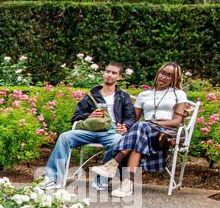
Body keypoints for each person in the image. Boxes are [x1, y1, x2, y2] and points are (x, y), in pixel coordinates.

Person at [90, 62, 192, 199]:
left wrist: (155, 123)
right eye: (162, 73)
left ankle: (113, 164)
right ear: (158, 73)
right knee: (140, 129)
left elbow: (176, 122)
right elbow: (133, 120)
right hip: (145, 132)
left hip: (166, 133)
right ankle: (128, 184)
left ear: (175, 78)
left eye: (169, 75)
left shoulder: (179, 94)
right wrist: (124, 126)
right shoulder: (145, 95)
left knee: (141, 127)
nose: (164, 77)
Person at [38, 60, 133, 191]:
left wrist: (125, 127)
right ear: (103, 74)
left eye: (114, 73)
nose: (109, 75)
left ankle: (102, 180)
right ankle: (54, 179)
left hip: (111, 132)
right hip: (89, 131)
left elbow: (130, 118)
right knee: (65, 137)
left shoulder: (123, 97)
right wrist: (89, 116)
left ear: (119, 77)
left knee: (118, 141)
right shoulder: (91, 96)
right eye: (107, 71)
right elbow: (75, 117)